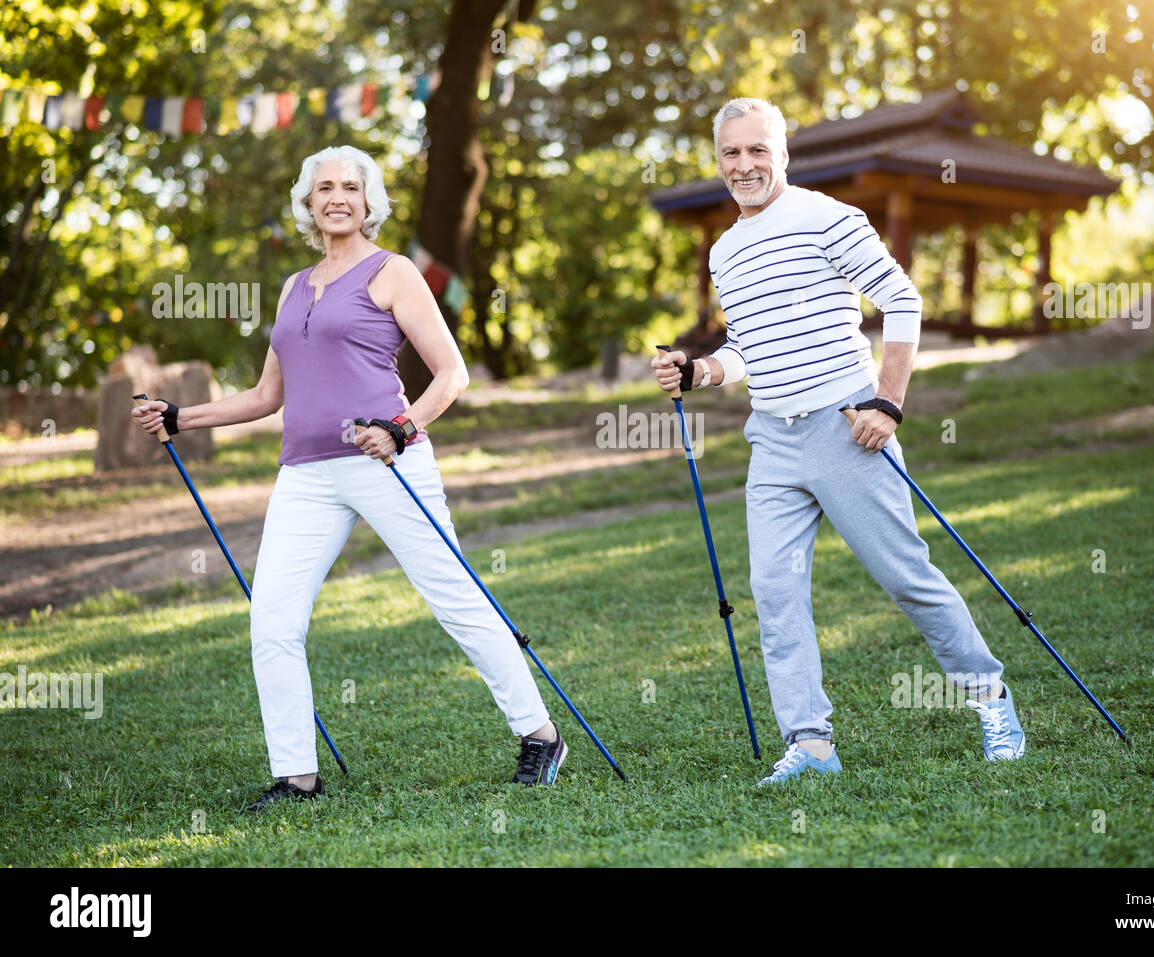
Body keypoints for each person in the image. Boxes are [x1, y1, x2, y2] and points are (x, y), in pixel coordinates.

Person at [133, 145, 566, 811]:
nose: (337, 197)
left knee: (454, 597)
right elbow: (264, 396)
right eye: (325, 187)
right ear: (308, 202)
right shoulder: (293, 287)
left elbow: (452, 374)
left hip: (387, 461)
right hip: (305, 474)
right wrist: (180, 416)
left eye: (351, 188)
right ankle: (296, 778)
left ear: (368, 202)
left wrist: (401, 427)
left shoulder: (392, 272)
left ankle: (541, 734)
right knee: (272, 621)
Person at [651, 98, 1026, 786]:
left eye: (758, 149)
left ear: (782, 154)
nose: (745, 164)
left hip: (845, 425)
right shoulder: (726, 250)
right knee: (774, 590)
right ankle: (813, 743)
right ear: (718, 161)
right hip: (772, 439)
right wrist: (699, 370)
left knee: (907, 578)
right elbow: (750, 350)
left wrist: (888, 401)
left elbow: (903, 300)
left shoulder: (827, 217)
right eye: (731, 153)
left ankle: (992, 701)